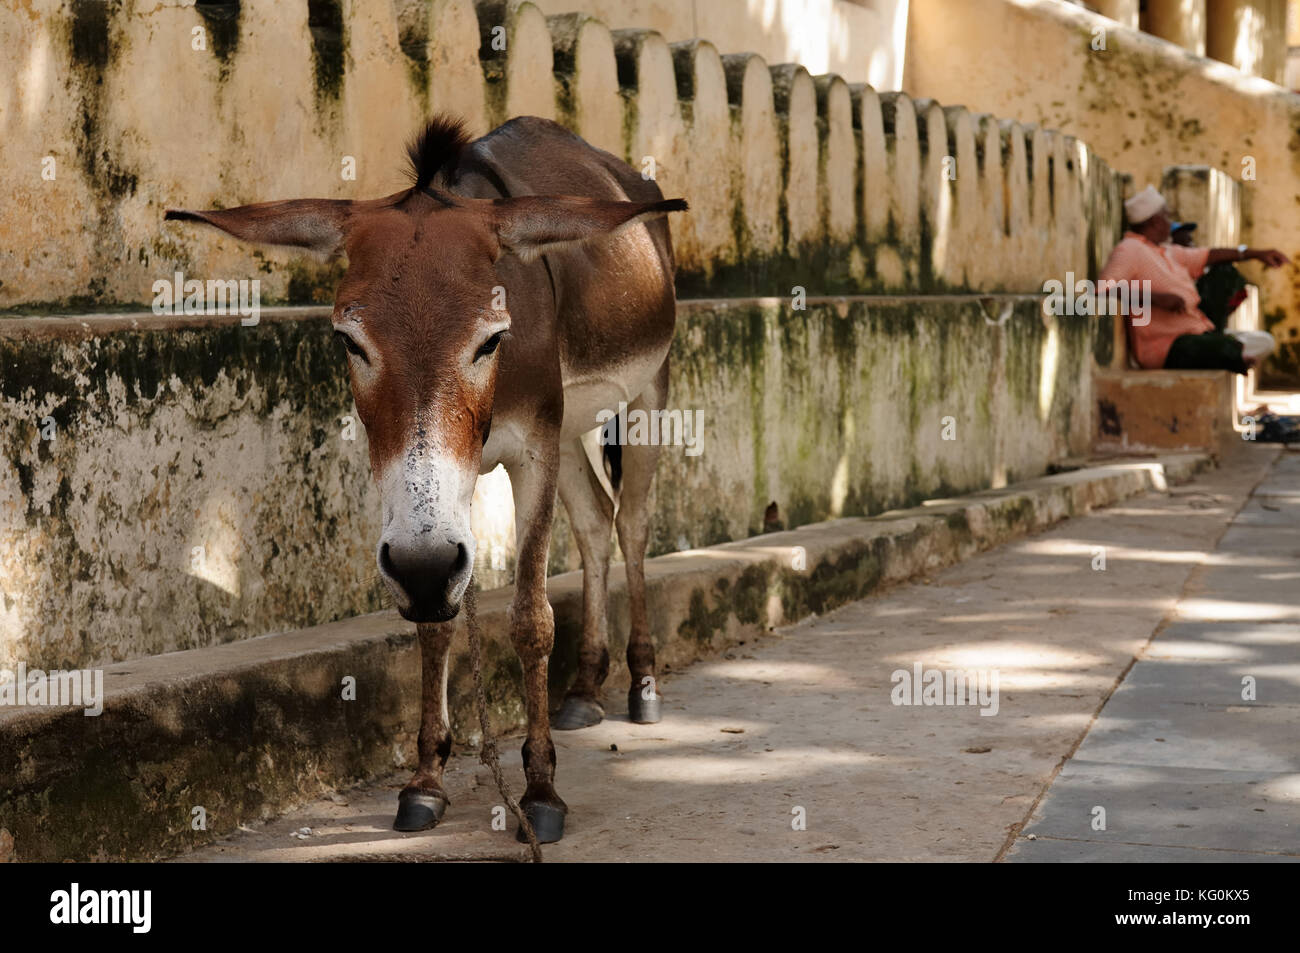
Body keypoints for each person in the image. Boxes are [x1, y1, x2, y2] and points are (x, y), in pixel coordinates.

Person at [1097, 185, 1289, 373]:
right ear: (1155, 221)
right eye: (1167, 216)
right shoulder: (1130, 248)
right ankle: (1227, 351)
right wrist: (1156, 298)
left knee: (1228, 277)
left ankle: (1222, 345)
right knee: (1227, 349)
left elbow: (1211, 255)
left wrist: (1257, 254)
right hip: (1169, 346)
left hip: (1196, 332)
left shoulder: (1167, 251)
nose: (1169, 221)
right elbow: (1103, 289)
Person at [1170, 220, 1250, 333]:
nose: (1191, 245)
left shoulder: (1197, 269)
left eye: (1190, 240)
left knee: (1265, 340)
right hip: (1184, 329)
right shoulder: (1163, 268)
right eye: (1185, 241)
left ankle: (1216, 332)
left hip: (1201, 323)